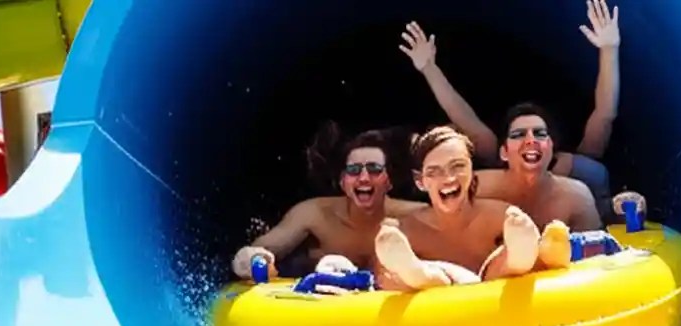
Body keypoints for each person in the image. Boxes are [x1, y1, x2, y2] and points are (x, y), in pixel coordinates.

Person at [398, 0, 621, 202]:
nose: (530, 140)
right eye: (518, 134)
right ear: (504, 150)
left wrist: (609, 49)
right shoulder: (488, 173)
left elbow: (605, 114)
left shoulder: (577, 171)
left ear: (552, 145)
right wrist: (429, 68)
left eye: (539, 133)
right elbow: (463, 116)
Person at [372, 125, 573, 291]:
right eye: (434, 171)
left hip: (499, 292)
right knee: (429, 276)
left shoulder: (501, 217)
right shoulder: (406, 233)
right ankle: (420, 274)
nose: (448, 178)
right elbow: (384, 280)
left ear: (471, 170)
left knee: (511, 260)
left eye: (458, 166)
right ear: (420, 181)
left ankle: (527, 256)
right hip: (441, 307)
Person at [231, 127, 426, 281]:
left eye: (374, 169)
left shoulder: (413, 216)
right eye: (354, 170)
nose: (364, 178)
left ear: (389, 182)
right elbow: (260, 250)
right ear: (342, 182)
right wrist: (254, 260)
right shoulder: (313, 214)